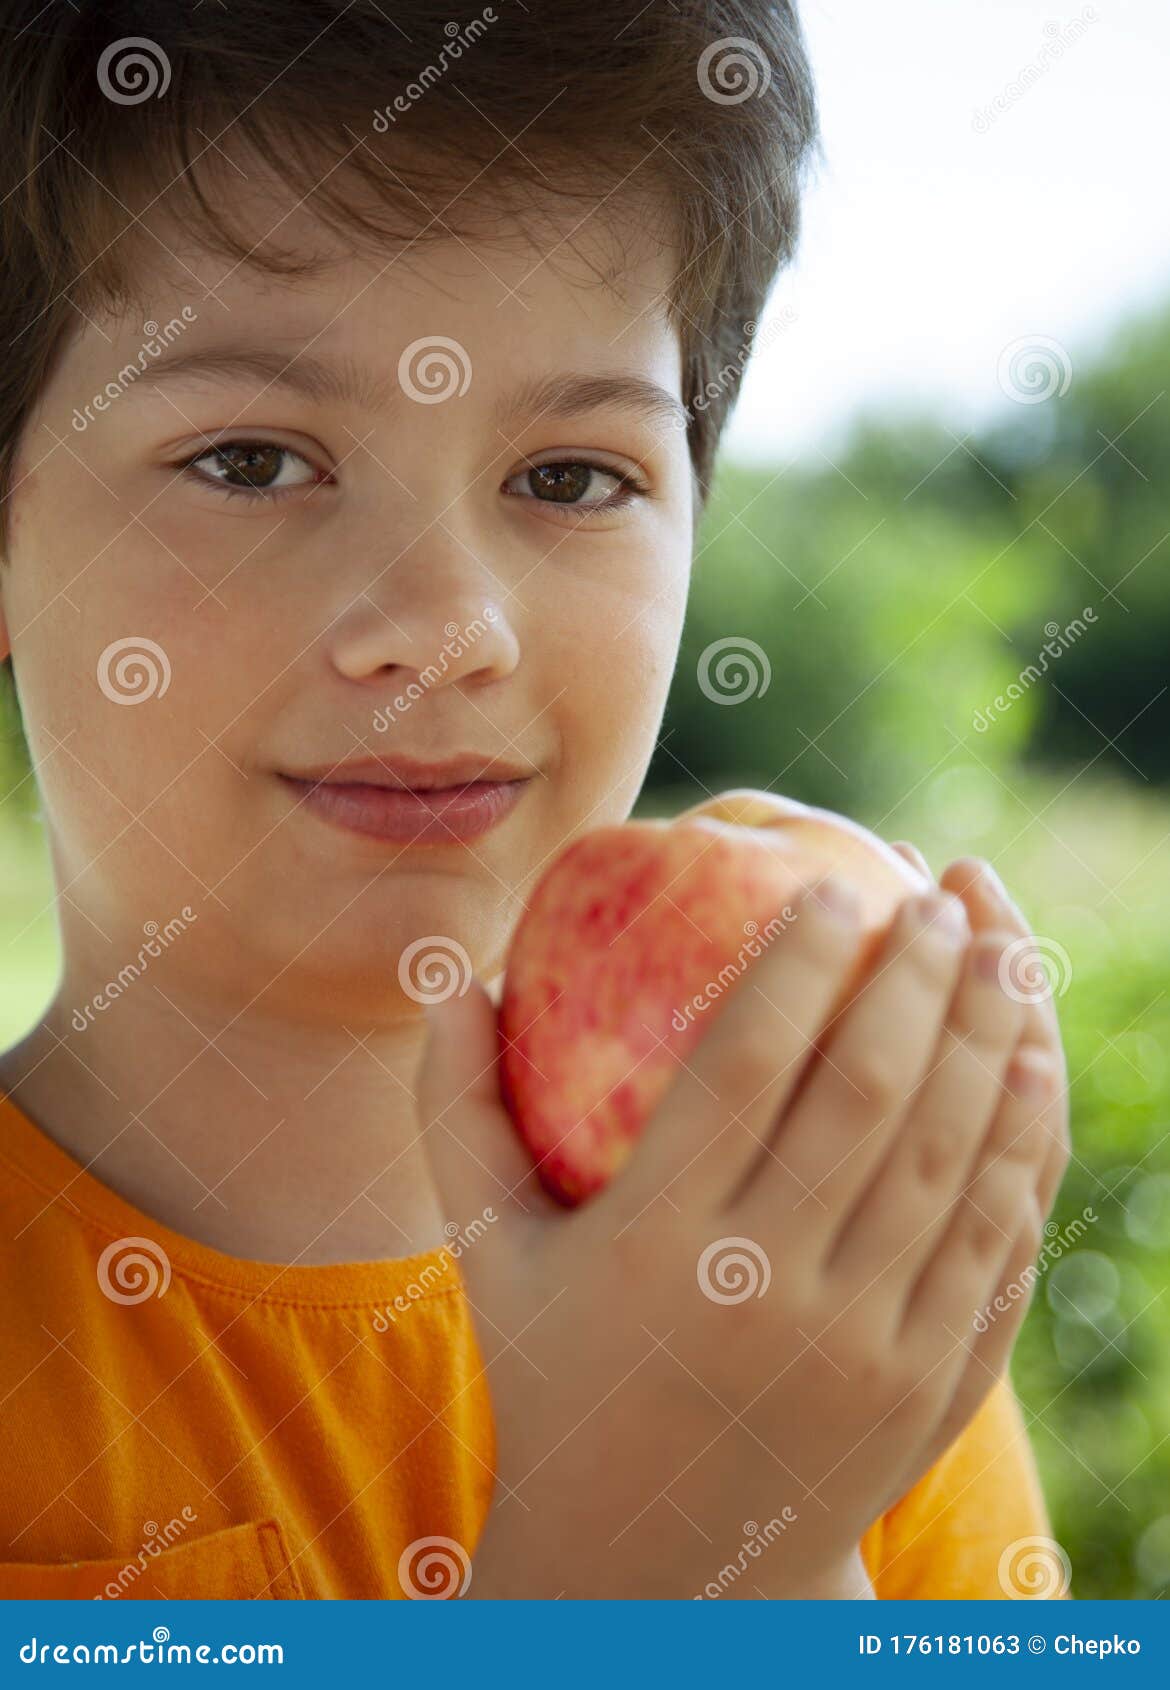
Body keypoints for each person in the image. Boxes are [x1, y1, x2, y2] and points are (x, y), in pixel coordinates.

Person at [0, 0, 1068, 1599]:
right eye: (247, 459)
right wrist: (652, 1559)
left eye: (571, 476)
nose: (446, 626)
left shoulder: (812, 1308)